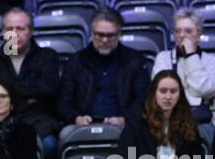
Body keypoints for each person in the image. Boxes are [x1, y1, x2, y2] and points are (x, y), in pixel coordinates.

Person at [0, 8, 62, 159]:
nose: (14, 33)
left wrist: (11, 94)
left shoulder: (47, 56)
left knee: (50, 147)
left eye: (20, 28)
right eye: (9, 29)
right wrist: (29, 97)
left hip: (39, 123)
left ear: (31, 31)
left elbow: (49, 90)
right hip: (1, 124)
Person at [57, 8, 150, 136]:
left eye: (110, 35)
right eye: (100, 35)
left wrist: (124, 118)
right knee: (65, 135)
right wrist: (76, 118)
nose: (105, 40)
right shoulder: (75, 62)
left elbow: (143, 99)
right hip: (82, 124)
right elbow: (63, 101)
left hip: (124, 124)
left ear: (119, 34)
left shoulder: (134, 60)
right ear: (91, 33)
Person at [152, 8, 215, 143]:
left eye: (188, 31)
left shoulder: (212, 61)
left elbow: (201, 89)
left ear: (199, 34)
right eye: (178, 31)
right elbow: (161, 93)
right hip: (169, 118)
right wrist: (200, 96)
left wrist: (191, 56)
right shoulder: (163, 58)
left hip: (202, 121)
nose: (182, 35)